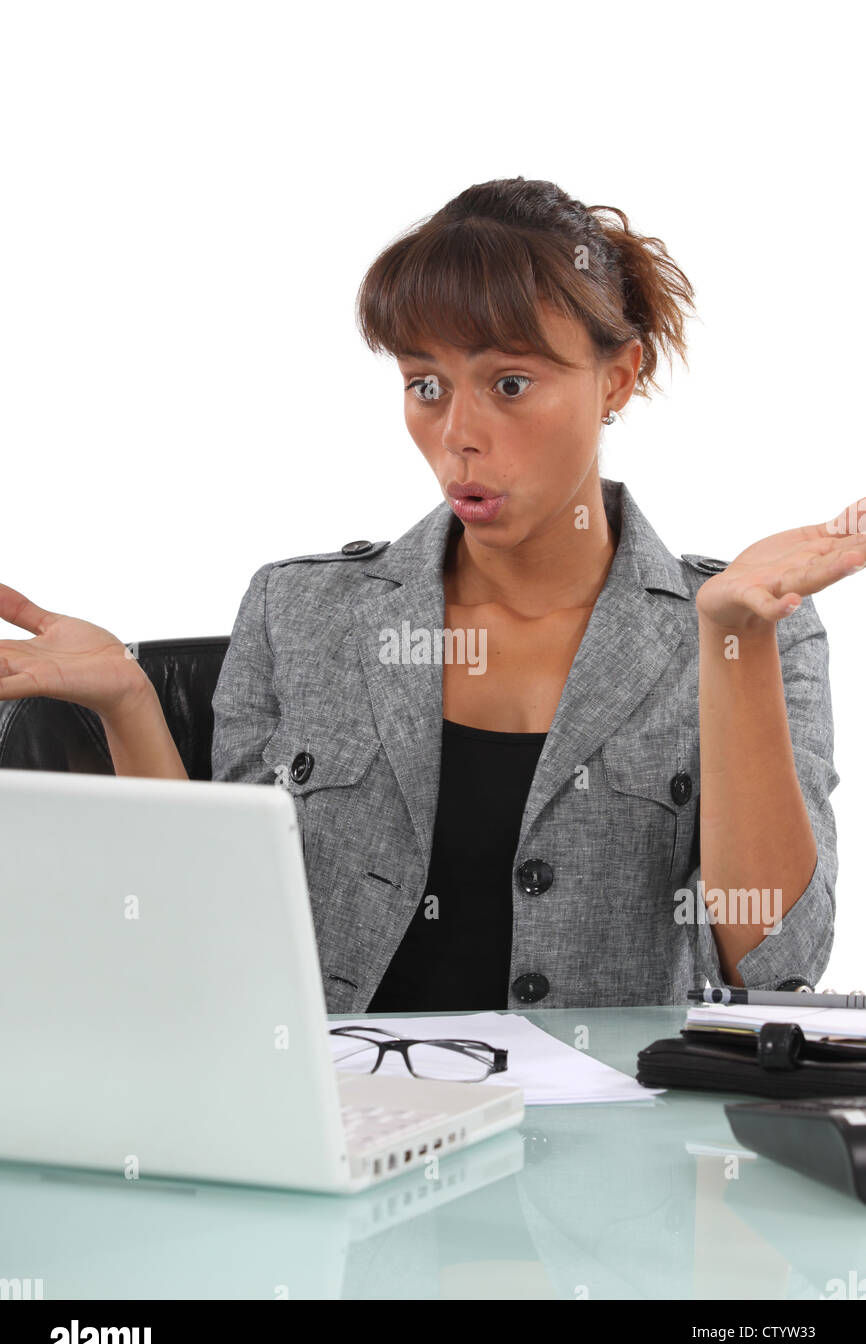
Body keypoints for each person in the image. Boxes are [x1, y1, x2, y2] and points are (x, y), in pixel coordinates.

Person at [1, 177, 862, 1013]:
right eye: (426, 385)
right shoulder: (299, 612)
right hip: (344, 1126)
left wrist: (735, 637)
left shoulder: (753, 631)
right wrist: (128, 702)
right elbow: (218, 933)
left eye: (510, 384)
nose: (458, 436)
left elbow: (775, 962)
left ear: (617, 379)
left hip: (623, 1134)